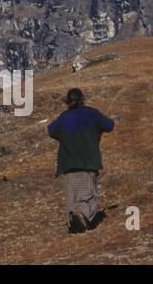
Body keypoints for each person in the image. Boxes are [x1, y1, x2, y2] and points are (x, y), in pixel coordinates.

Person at [46, 88, 115, 233]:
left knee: (72, 196)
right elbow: (109, 125)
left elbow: (51, 130)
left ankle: (73, 221)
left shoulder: (63, 117)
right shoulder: (92, 114)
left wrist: (65, 138)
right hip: (88, 161)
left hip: (68, 164)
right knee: (88, 195)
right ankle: (81, 216)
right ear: (82, 99)